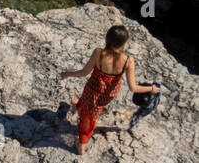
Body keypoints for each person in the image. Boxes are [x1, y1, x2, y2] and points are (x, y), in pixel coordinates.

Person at [59, 25, 159, 154]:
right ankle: (80, 106)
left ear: (107, 39)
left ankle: (82, 144)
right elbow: (133, 87)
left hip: (92, 89)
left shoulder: (98, 53)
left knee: (88, 119)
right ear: (123, 43)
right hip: (109, 94)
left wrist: (68, 74)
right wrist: (151, 88)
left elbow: (84, 72)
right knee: (93, 106)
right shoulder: (128, 60)